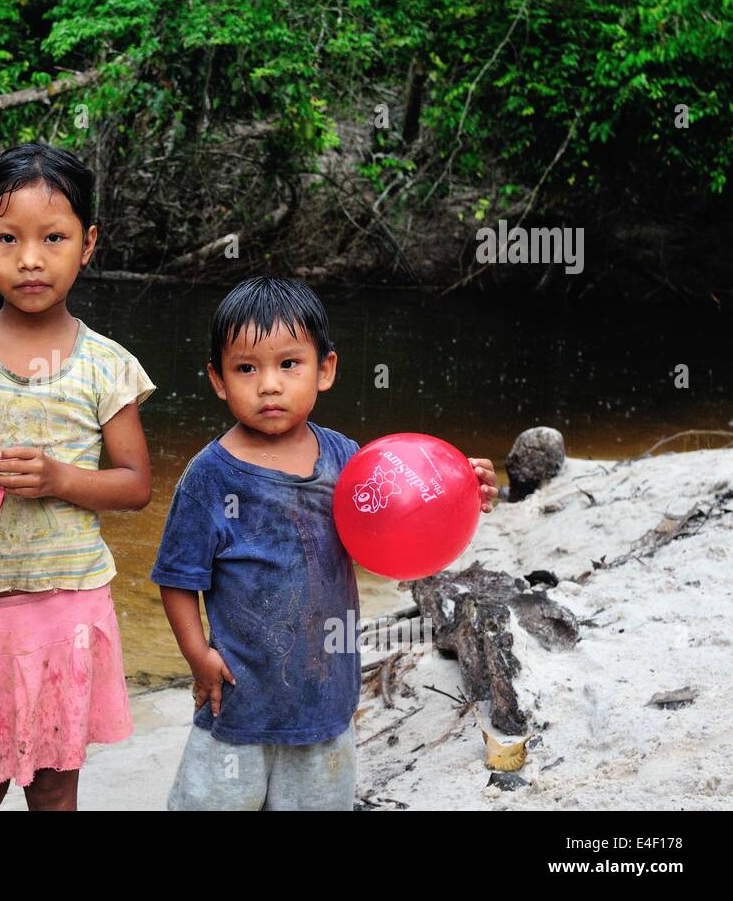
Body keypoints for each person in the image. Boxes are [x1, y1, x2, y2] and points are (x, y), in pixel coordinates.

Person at [151, 276, 499, 811]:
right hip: (238, 700)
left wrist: (460, 489)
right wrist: (198, 656)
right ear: (218, 380)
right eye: (246, 368)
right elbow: (177, 578)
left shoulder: (349, 463)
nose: (269, 385)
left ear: (326, 370)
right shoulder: (209, 478)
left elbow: (399, 520)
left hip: (325, 698)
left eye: (289, 364)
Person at [0, 143, 155, 810]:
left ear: (88, 243)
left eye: (54, 237)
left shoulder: (107, 364)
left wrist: (58, 479)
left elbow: (135, 484)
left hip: (68, 607)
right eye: (7, 238)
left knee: (53, 786)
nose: (31, 258)